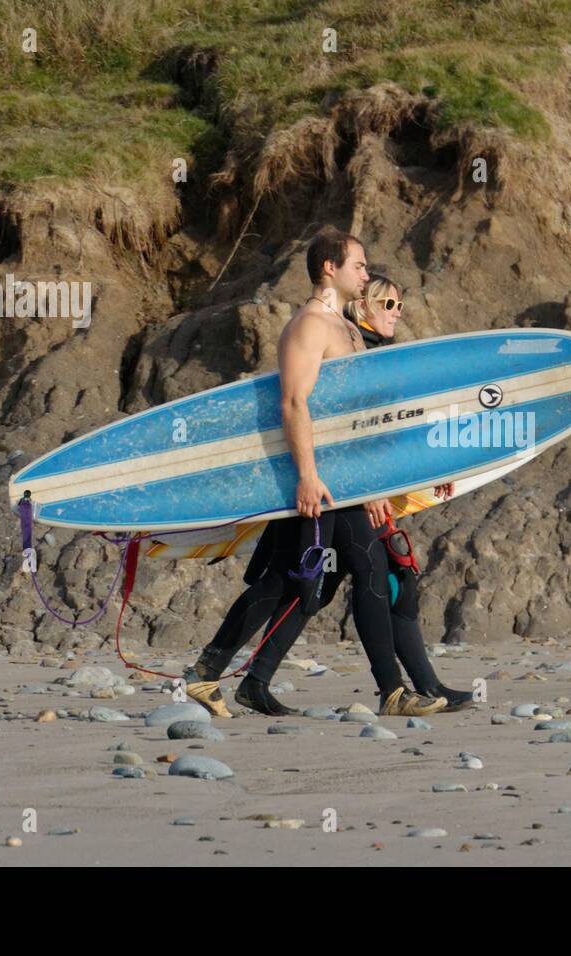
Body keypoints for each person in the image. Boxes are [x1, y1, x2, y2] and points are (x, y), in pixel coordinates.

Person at [184, 229, 445, 719]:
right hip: (321, 479)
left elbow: (356, 416)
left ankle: (207, 674)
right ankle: (391, 692)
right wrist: (306, 475)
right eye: (359, 266)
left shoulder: (344, 328)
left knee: (289, 582)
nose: (366, 274)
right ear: (329, 267)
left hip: (344, 477)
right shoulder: (309, 326)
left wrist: (375, 479)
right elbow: (293, 401)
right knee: (362, 570)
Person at [241, 274, 475, 712]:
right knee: (354, 579)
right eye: (388, 304)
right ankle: (397, 690)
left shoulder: (377, 354)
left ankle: (253, 678)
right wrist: (368, 485)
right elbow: (347, 428)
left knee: (326, 587)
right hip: (341, 487)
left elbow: (393, 427)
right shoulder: (349, 351)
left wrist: (425, 472)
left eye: (400, 306)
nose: (397, 313)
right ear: (363, 305)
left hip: (362, 486)